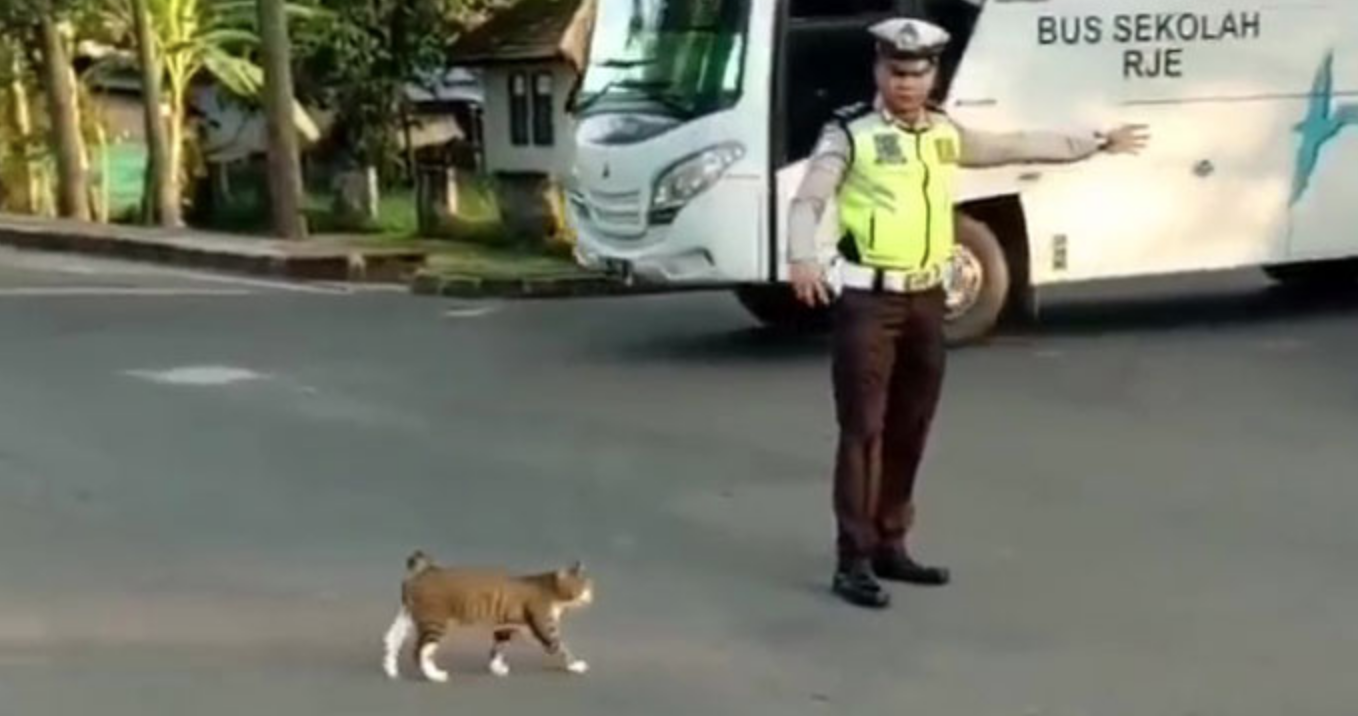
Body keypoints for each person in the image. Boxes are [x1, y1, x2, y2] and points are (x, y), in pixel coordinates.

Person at [787, 17, 1149, 609]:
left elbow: (1015, 145)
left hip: (927, 299)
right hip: (869, 301)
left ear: (934, 76)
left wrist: (1094, 142)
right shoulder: (849, 133)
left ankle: (890, 543)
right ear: (878, 71)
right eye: (895, 72)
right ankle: (853, 559)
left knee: (911, 426)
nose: (906, 83)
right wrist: (802, 257)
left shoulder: (943, 132)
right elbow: (808, 200)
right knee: (864, 431)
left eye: (917, 73)